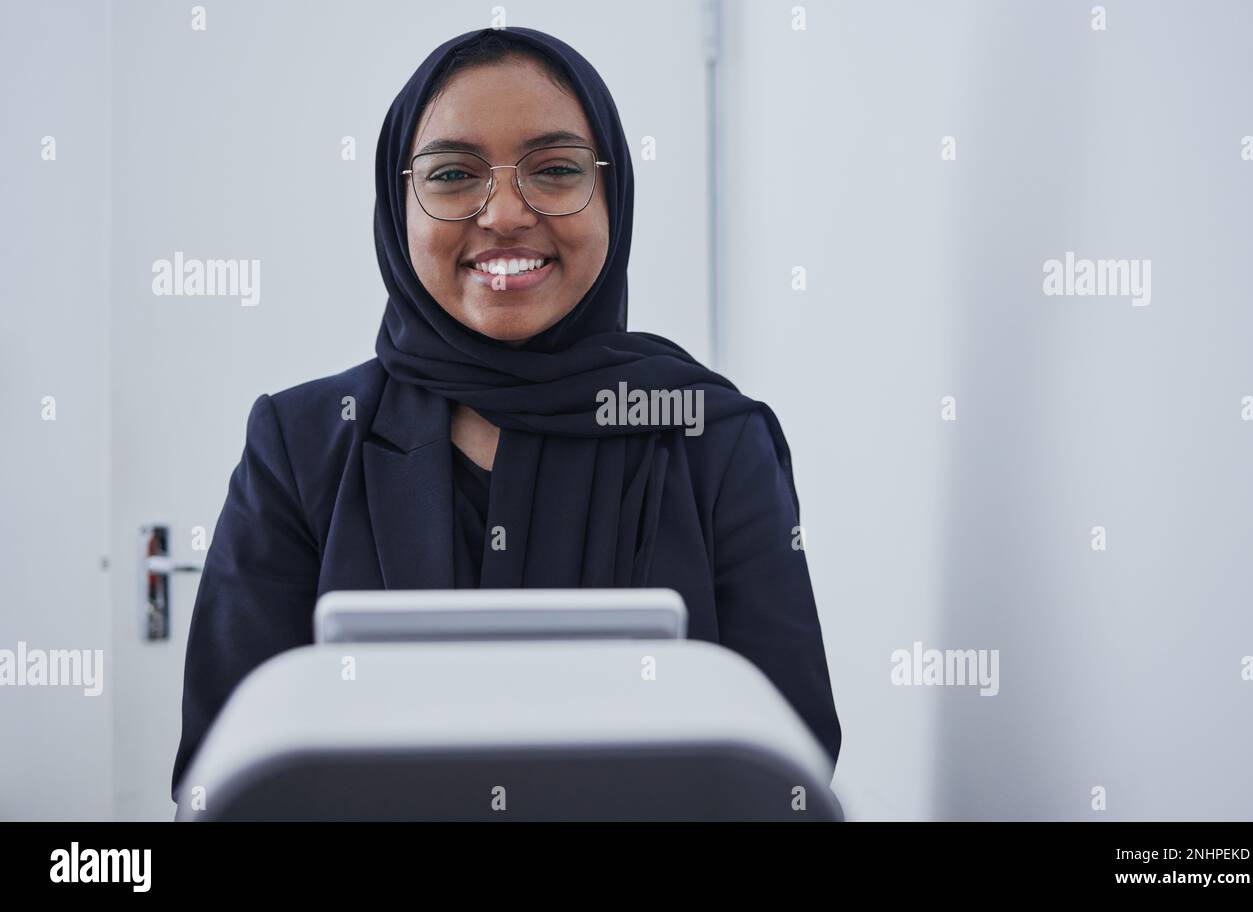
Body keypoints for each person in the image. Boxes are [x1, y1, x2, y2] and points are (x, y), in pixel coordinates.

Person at [171, 25, 841, 804]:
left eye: (554, 170)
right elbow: (219, 778)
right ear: (400, 206)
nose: (504, 213)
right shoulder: (299, 444)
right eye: (454, 175)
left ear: (613, 193)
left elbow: (791, 761)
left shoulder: (710, 437)